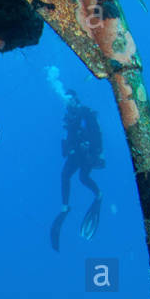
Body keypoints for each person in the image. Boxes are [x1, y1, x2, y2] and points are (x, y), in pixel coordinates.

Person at [50, 92, 105, 251]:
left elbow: (96, 135)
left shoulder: (85, 114)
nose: (68, 103)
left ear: (76, 100)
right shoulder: (71, 116)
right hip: (77, 153)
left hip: (87, 154)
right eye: (67, 101)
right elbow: (70, 137)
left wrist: (95, 153)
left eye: (71, 100)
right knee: (65, 175)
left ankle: (99, 194)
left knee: (82, 177)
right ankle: (65, 206)